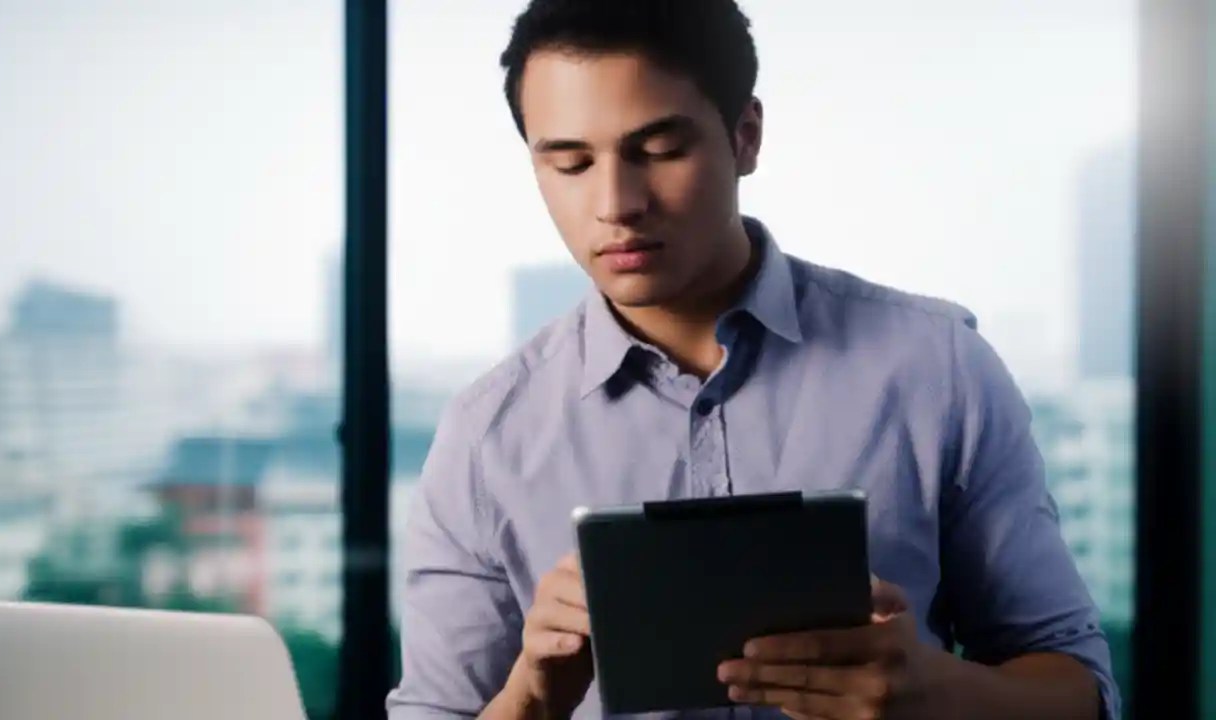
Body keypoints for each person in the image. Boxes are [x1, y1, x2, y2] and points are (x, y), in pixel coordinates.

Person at [385, 1, 1120, 718]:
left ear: (745, 136)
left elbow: (1077, 687)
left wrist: (935, 695)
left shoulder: (938, 369)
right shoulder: (487, 435)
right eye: (571, 163)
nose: (616, 202)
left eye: (660, 150)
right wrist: (533, 696)